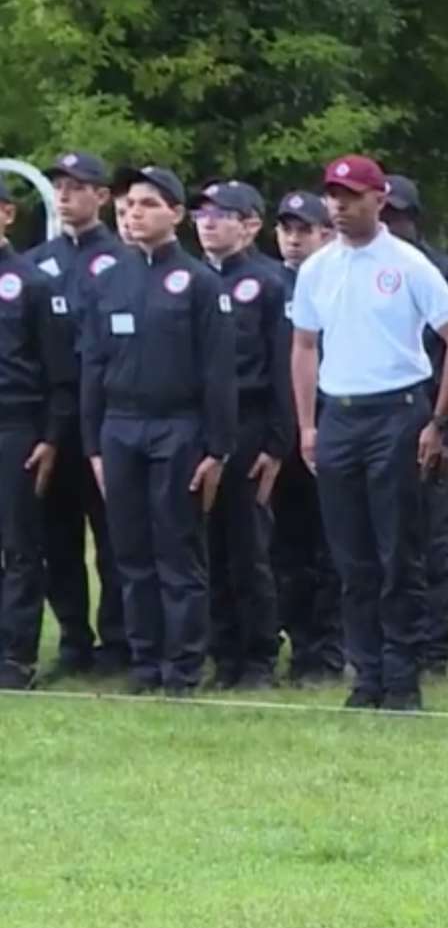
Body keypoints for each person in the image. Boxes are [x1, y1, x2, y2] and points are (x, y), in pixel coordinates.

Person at [289, 154, 448, 712]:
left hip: (397, 412)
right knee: (351, 555)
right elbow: (303, 344)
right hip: (339, 414)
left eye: (351, 197)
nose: (340, 207)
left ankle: (401, 675)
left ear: (379, 200)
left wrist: (438, 421)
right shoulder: (317, 268)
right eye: (333, 197)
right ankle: (364, 672)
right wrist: (307, 424)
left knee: (399, 551)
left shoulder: (408, 263)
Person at [80, 166, 236, 697]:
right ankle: (144, 662)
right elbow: (93, 368)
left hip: (179, 427)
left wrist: (217, 449)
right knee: (130, 552)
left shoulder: (199, 282)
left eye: (146, 204)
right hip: (120, 429)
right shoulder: (110, 279)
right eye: (126, 207)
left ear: (175, 213)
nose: (133, 215)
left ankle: (183, 667)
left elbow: (219, 374)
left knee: (177, 550)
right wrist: (92, 445)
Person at [26, 150, 127, 679]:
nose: (65, 195)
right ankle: (72, 638)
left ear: (102, 196)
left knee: (112, 538)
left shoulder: (120, 260)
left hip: (106, 416)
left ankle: (117, 640)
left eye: (77, 186)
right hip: (50, 419)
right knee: (54, 539)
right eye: (59, 186)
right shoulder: (37, 261)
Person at [194, 180, 293, 689]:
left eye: (222, 214)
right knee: (206, 544)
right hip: (201, 425)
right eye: (203, 213)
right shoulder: (191, 281)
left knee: (249, 545)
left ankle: (258, 656)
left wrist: (278, 443)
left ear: (251, 224)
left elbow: (283, 368)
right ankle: (222, 649)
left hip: (252, 422)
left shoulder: (270, 283)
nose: (208, 222)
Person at [383, 174, 448, 675]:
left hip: (429, 419)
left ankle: (432, 644)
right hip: (377, 424)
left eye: (396, 215)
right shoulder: (362, 266)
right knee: (383, 543)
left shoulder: (438, 272)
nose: (389, 224)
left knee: (431, 542)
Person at [0, 179, 73, 690]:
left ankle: (15, 655)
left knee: (19, 546)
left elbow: (59, 375)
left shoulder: (32, 283)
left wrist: (50, 437)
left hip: (15, 426)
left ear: (6, 215)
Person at [269, 190, 345, 681]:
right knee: (285, 547)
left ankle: (329, 649)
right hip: (281, 434)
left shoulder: (340, 281)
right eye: (287, 229)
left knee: (331, 547)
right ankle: (298, 643)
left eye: (305, 230)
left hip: (332, 427)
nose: (294, 239)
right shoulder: (265, 285)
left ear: (327, 234)